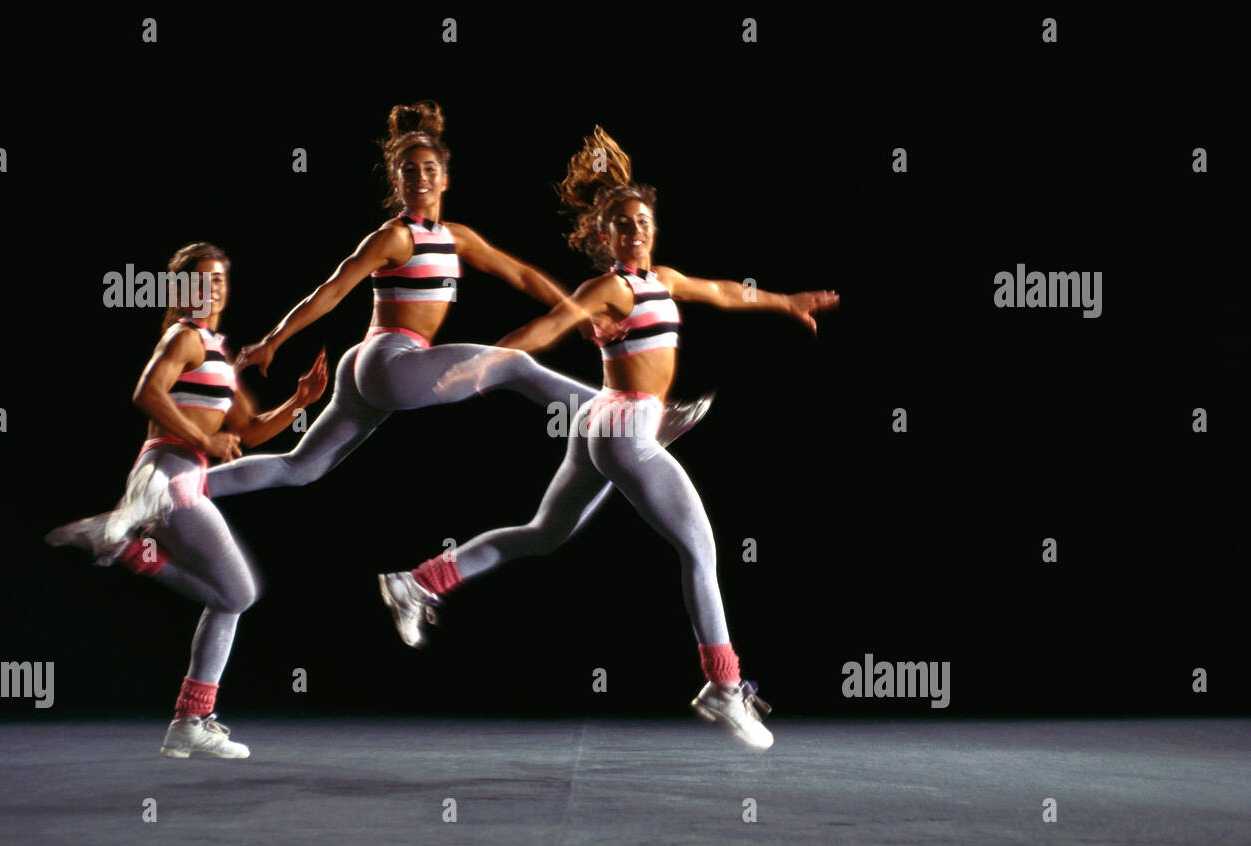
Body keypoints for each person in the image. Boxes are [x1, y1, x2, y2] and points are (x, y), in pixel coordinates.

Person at [379, 127, 840, 750]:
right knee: (700, 548)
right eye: (622, 224)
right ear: (606, 236)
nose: (635, 230)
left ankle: (422, 581)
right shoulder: (610, 289)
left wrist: (786, 302)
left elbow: (725, 291)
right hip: (622, 427)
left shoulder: (664, 280)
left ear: (654, 226)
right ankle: (724, 686)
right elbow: (551, 324)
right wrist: (487, 362)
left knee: (544, 534)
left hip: (607, 424)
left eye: (643, 220)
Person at [204, 101, 707, 513]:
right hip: (388, 361)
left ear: (445, 178)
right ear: (395, 183)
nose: (420, 178)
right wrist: (274, 340)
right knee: (512, 364)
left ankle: (185, 492)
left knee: (300, 467)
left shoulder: (456, 238)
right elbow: (332, 290)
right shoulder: (395, 236)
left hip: (368, 372)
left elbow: (523, 274)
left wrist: (580, 315)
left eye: (429, 170)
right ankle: (629, 420)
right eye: (408, 172)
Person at [47, 242, 328, 758]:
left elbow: (248, 430)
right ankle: (190, 720)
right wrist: (203, 441)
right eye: (200, 280)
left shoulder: (217, 351)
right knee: (237, 594)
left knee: (229, 596)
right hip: (169, 472)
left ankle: (128, 552)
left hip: (180, 479)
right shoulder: (183, 336)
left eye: (219, 278)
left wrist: (299, 402)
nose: (212, 288)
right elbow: (146, 393)